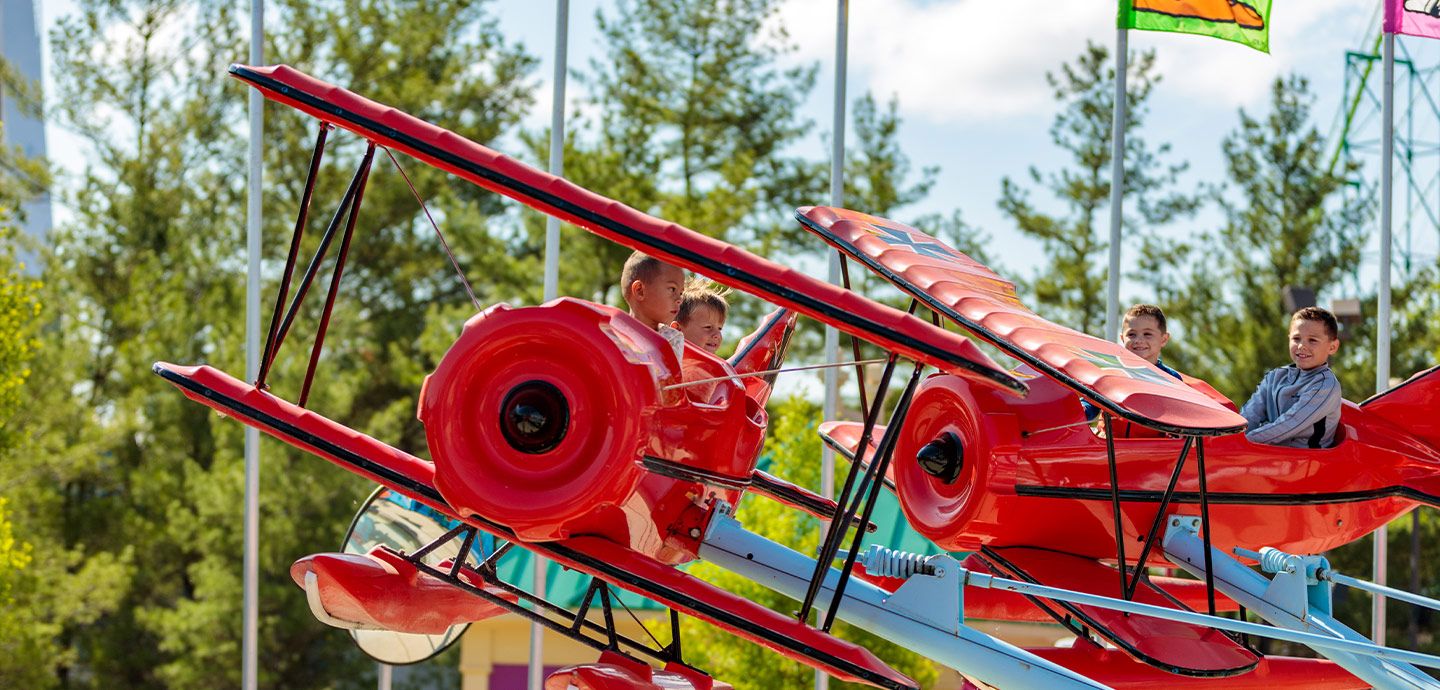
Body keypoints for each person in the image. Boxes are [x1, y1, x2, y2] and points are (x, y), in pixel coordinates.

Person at [1240, 307, 1343, 449]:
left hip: (1308, 464)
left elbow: (1289, 423)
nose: (1301, 346)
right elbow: (1249, 415)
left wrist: (1240, 442)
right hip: (1270, 459)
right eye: (1296, 338)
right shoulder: (1275, 377)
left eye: (1312, 340)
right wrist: (1230, 436)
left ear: (1332, 347)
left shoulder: (1326, 385)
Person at [619, 250, 687, 357]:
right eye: (672, 289)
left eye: (681, 293)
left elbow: (671, 374)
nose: (679, 299)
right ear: (639, 290)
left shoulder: (672, 339)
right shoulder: (613, 333)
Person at [672, 280, 728, 354]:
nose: (717, 335)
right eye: (708, 327)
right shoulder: (665, 358)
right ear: (677, 329)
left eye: (719, 328)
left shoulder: (711, 364)